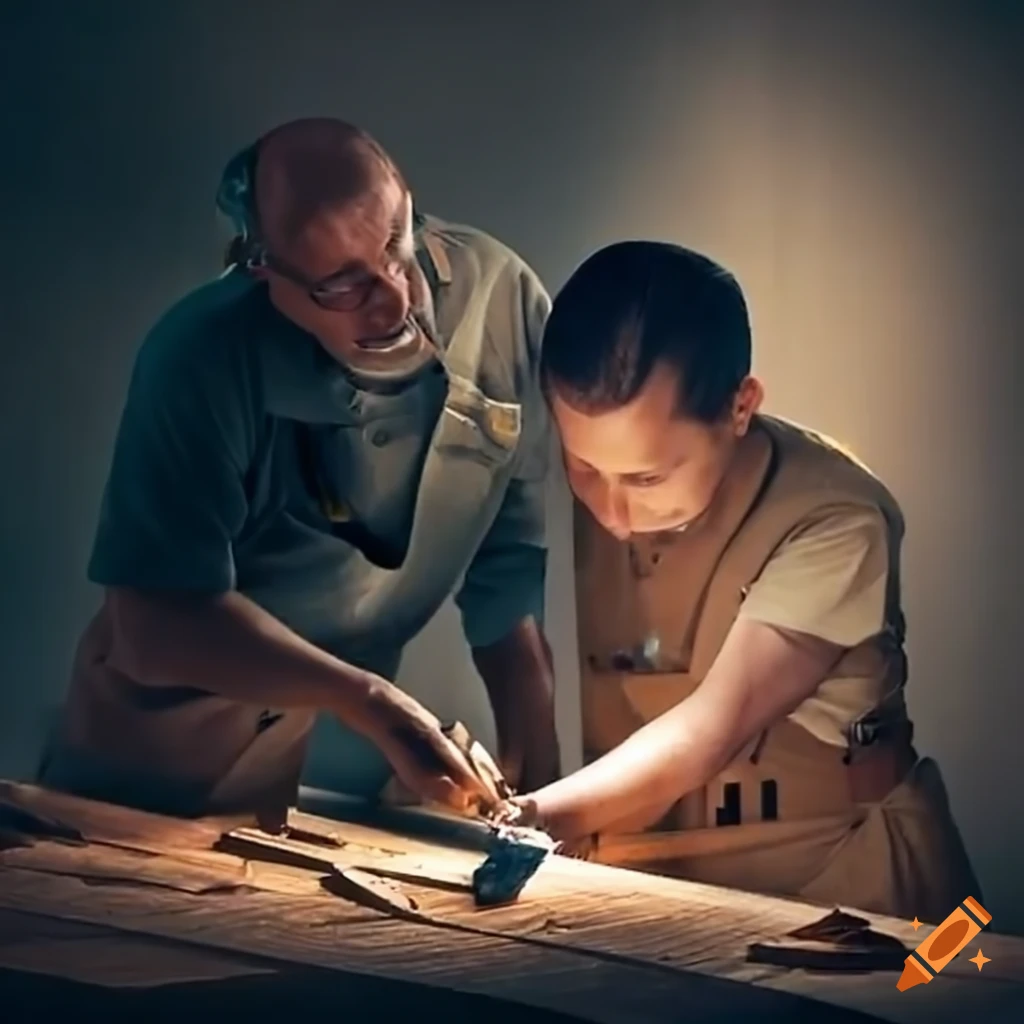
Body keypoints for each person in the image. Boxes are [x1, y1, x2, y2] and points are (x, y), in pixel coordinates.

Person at [38, 118, 559, 824]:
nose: (395, 302)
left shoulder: (502, 300)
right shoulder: (200, 356)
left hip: (336, 764)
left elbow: (508, 570)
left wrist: (544, 777)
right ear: (261, 269)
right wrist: (364, 698)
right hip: (157, 758)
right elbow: (153, 622)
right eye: (343, 287)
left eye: (397, 250)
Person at [514, 241, 978, 922]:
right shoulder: (595, 475)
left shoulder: (839, 519)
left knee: (944, 997)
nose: (611, 514)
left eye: (647, 479)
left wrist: (516, 817)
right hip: (658, 882)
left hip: (852, 878)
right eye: (584, 469)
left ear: (740, 407)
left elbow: (713, 728)